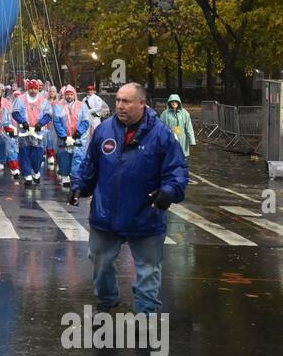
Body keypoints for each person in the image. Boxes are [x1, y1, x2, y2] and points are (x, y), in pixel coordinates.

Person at [70, 82, 188, 314]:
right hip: (106, 214)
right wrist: (79, 186)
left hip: (145, 215)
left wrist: (169, 191)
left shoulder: (161, 135)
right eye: (118, 101)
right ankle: (106, 302)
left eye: (126, 101)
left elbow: (178, 171)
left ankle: (146, 314)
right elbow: (90, 164)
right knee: (101, 262)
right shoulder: (104, 131)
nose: (120, 106)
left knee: (147, 270)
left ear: (142, 104)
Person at [52, 84, 91, 187]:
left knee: (78, 156)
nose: (69, 96)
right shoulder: (58, 105)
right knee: (64, 156)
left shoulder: (82, 105)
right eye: (67, 94)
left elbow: (86, 121)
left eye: (71, 94)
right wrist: (64, 136)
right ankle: (65, 176)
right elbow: (57, 122)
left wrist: (77, 134)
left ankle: (75, 176)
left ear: (74, 95)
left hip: (78, 137)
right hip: (63, 138)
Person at [160, 94, 196, 158]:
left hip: (183, 139)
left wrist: (192, 140)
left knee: (182, 157)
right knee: (171, 158)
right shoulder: (165, 114)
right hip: (170, 140)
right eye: (172, 101)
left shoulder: (184, 113)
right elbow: (160, 128)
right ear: (169, 103)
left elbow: (189, 127)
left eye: (175, 101)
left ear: (179, 102)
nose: (174, 103)